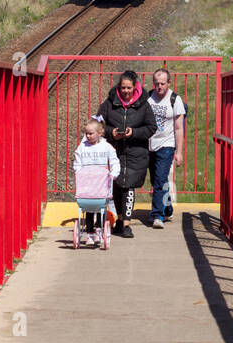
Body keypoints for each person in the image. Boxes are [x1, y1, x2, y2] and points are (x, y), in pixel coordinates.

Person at [95, 69, 157, 238]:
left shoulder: (144, 104)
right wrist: (110, 132)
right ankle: (119, 221)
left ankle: (127, 225)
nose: (126, 91)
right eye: (123, 88)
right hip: (115, 152)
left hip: (136, 153)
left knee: (128, 188)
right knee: (116, 187)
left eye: (129, 88)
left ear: (135, 87)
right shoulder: (109, 103)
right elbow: (97, 123)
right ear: (119, 87)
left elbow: (151, 127)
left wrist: (134, 133)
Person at [145, 68, 186, 228]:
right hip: (150, 144)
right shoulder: (148, 98)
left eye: (162, 83)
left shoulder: (175, 100)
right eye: (156, 83)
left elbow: (179, 128)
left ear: (169, 83)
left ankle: (157, 215)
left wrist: (179, 152)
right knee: (156, 180)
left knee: (160, 179)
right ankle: (167, 209)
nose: (159, 87)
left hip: (166, 145)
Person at [72, 118, 120, 247]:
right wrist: (79, 172)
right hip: (87, 185)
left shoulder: (106, 146)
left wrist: (114, 173)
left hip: (101, 183)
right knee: (88, 207)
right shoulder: (82, 147)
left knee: (100, 207)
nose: (88, 136)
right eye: (86, 133)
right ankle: (89, 232)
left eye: (90, 133)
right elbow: (77, 162)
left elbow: (114, 160)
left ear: (100, 133)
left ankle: (98, 229)